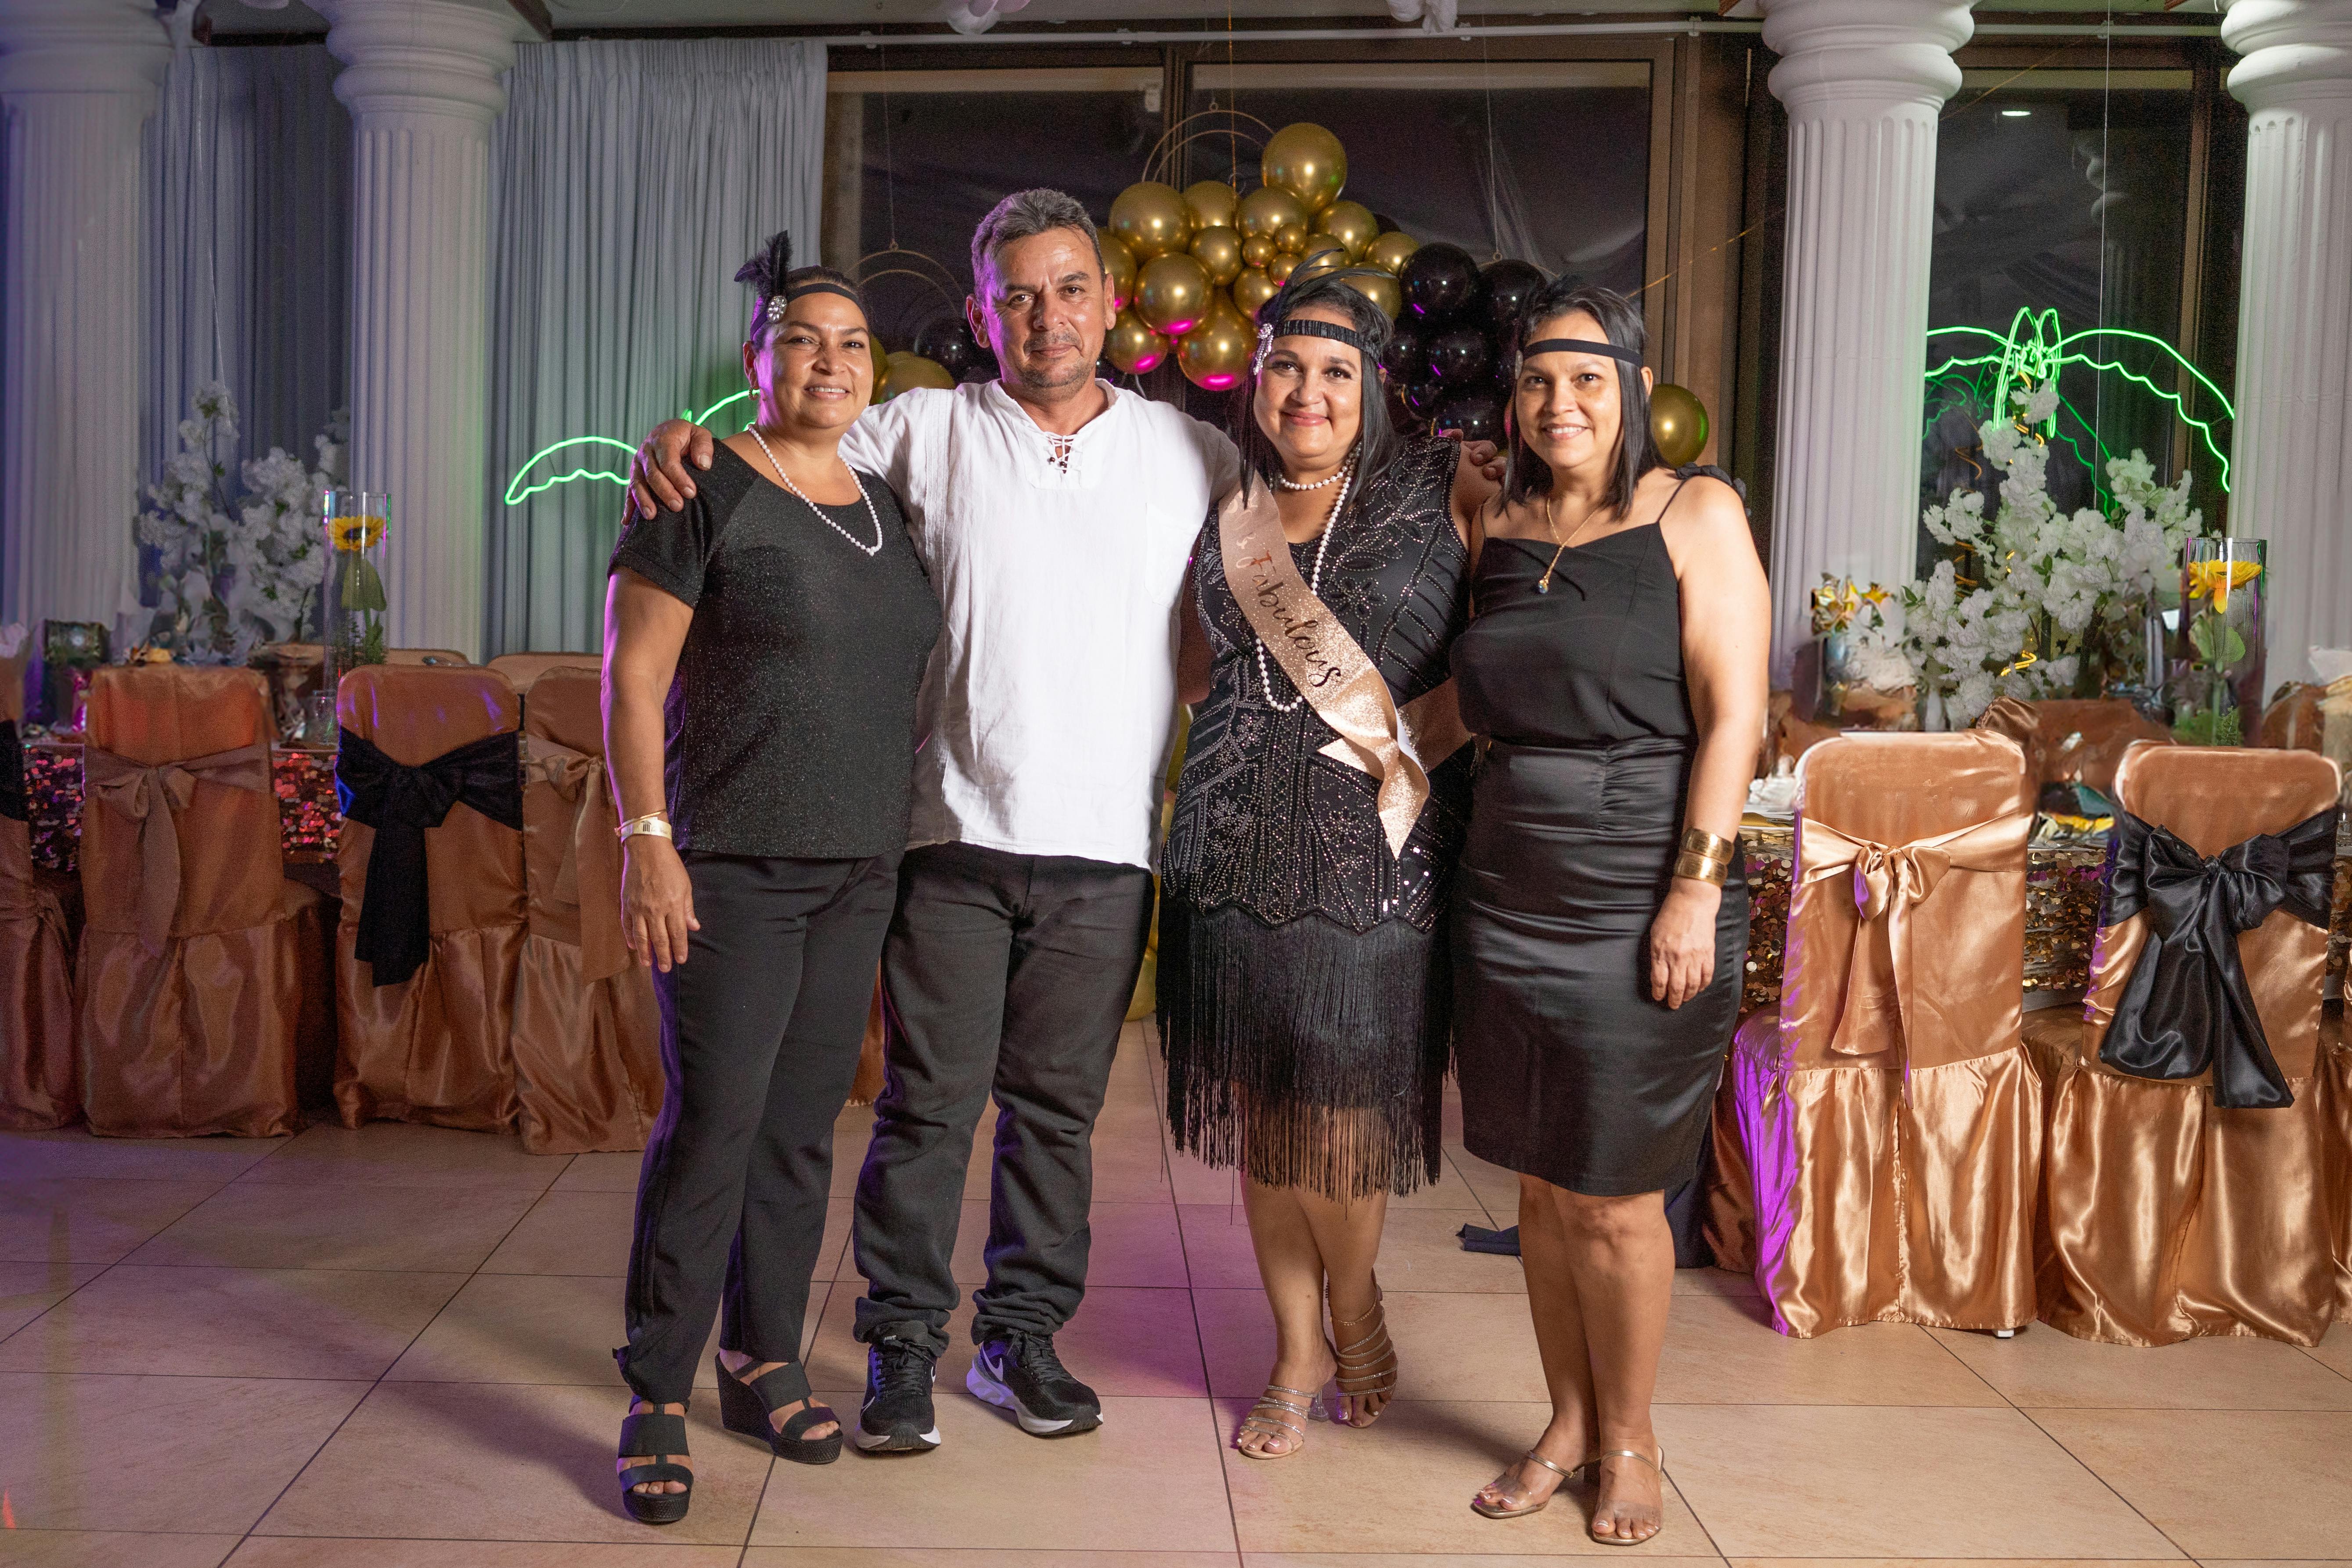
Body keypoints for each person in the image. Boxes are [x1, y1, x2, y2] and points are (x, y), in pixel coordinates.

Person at [627, 190, 1240, 1452]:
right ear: (980, 313)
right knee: (926, 1106)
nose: (1047, 314)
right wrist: (678, 435)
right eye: (1017, 293)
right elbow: (780, 454)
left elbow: (1254, 588)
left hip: (1107, 843)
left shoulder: (1193, 452)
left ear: (1113, 302)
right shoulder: (919, 428)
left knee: (1059, 1116)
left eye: (1071, 287)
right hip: (948, 832)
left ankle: (1021, 1339)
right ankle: (901, 1347)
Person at [603, 233, 941, 1524]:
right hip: (731, 863)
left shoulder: (885, 505)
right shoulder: (698, 489)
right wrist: (650, 843)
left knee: (803, 1129)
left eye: (853, 345)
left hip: (858, 865)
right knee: (715, 1125)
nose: (830, 361)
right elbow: (632, 676)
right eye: (804, 338)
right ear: (758, 356)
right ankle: (656, 1388)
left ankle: (760, 1355)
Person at [1449, 281, 1765, 1544]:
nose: (1559, 400)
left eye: (1587, 376)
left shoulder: (1696, 510)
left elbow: (1734, 713)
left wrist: (1694, 885)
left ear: (1632, 387)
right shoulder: (1496, 517)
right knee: (1535, 1186)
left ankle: (1630, 1438)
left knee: (1617, 1194)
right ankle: (1567, 1417)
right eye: (1536, 378)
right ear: (1512, 397)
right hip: (1504, 885)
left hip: (1644, 889)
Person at [1160, 268, 1492, 1458]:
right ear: (1255, 377)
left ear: (1376, 386)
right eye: (1288, 366)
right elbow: (1194, 674)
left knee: (1342, 1123)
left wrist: (1423, 739)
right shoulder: (1220, 506)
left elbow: (1514, 644)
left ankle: (1354, 1302)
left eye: (1338, 370)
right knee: (1267, 1119)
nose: (1310, 390)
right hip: (1232, 847)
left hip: (1381, 859)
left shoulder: (1446, 485)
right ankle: (1296, 1344)